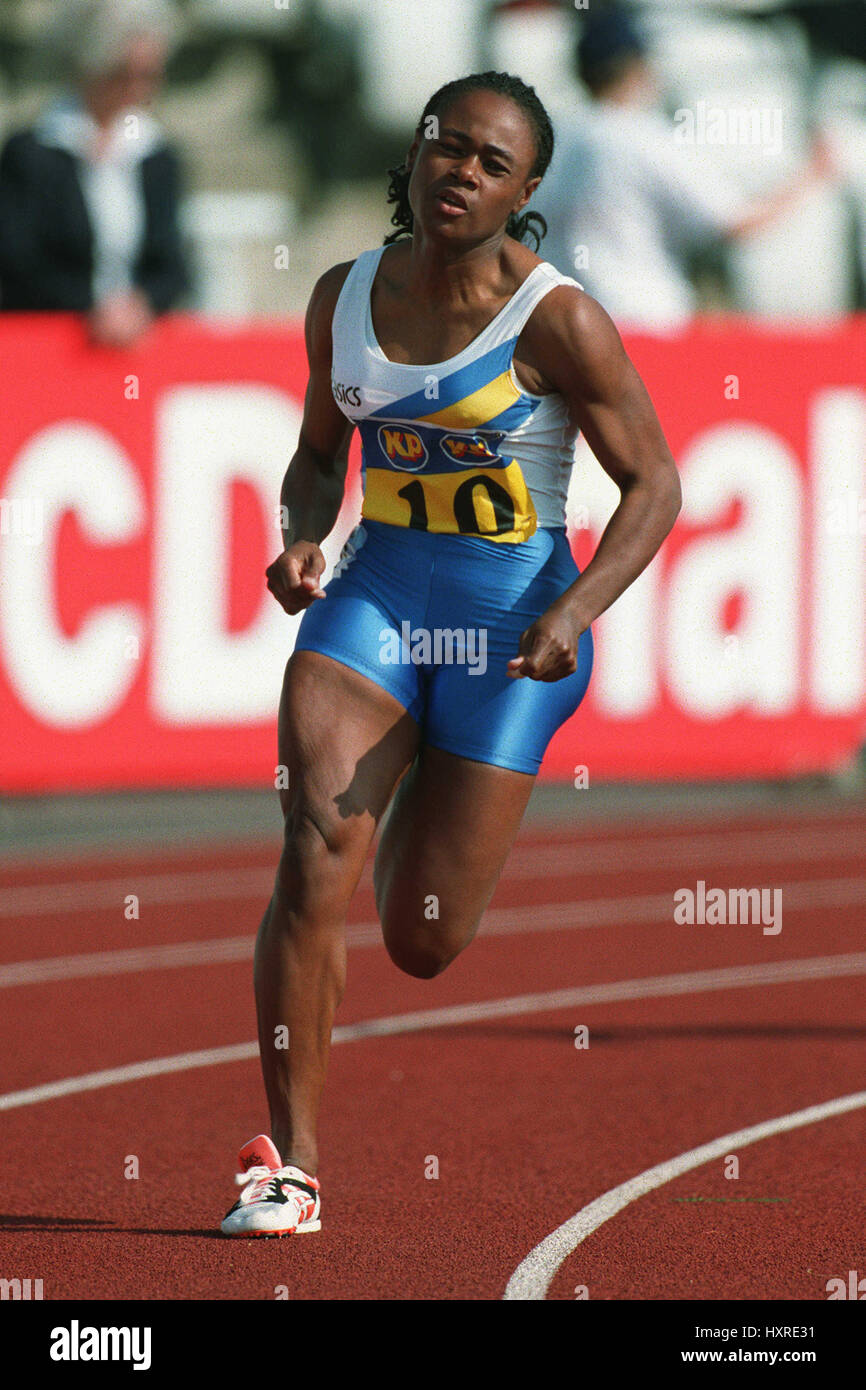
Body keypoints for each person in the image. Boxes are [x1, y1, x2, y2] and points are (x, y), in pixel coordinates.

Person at [220, 70, 682, 1237]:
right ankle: (293, 1166)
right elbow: (321, 454)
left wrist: (574, 610)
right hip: (374, 596)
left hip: (506, 631)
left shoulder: (559, 318)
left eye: (490, 161)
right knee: (314, 845)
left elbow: (655, 482)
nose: (459, 172)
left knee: (422, 938)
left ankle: (420, 757)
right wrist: (300, 541)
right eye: (445, 146)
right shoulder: (344, 294)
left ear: (525, 189)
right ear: (415, 154)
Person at [539, 7, 835, 331]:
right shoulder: (642, 135)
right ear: (639, 68)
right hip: (642, 325)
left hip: (561, 330)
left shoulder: (551, 139)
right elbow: (736, 222)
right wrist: (813, 173)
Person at [0, 0, 188, 347]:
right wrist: (92, 306)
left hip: (132, 343)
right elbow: (17, 262)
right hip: (47, 343)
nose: (139, 89)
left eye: (150, 75)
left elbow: (173, 265)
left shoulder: (156, 154)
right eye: (124, 74)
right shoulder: (32, 152)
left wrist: (139, 304)